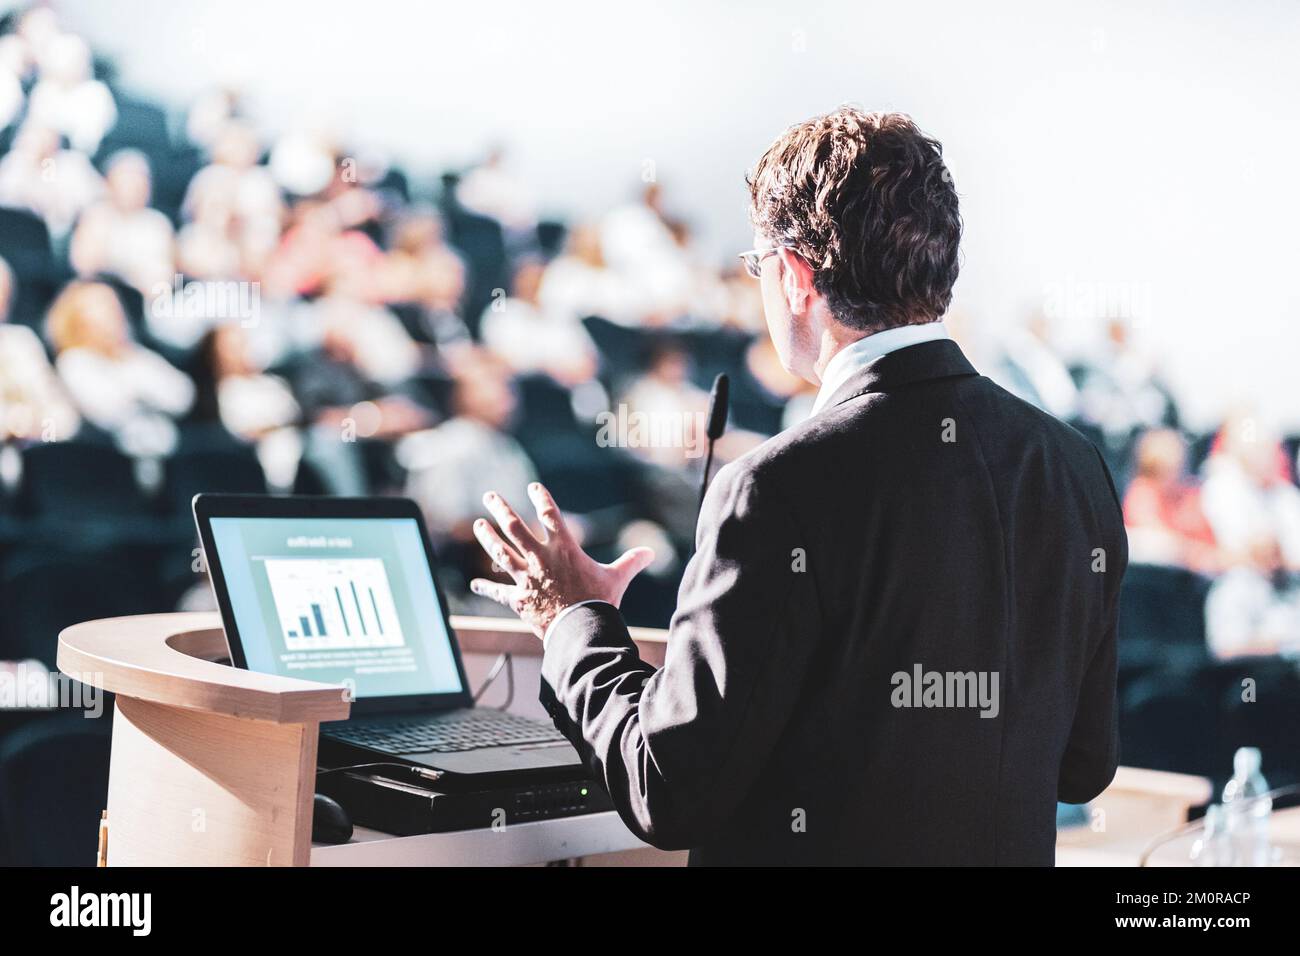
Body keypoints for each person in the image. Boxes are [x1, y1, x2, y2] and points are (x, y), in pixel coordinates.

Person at [467, 108, 1127, 865]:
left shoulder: (777, 489)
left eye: (758, 267)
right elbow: (1083, 765)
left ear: (795, 274)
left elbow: (668, 788)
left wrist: (571, 619)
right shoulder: (1075, 467)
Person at [1123, 428, 1221, 573]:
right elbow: (1158, 542)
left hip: (1200, 576)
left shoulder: (1190, 495)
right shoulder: (1142, 494)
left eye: (1180, 466)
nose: (1176, 474)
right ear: (1152, 468)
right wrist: (1192, 552)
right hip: (1161, 578)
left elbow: (1210, 544)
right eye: (1167, 469)